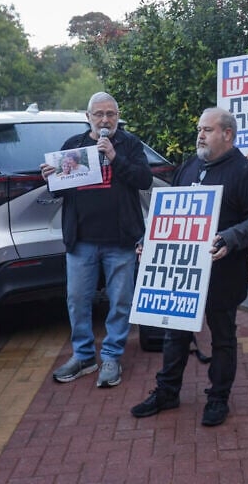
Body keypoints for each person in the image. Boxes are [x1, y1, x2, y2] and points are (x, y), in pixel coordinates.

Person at [132, 107, 248, 427]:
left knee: (222, 338)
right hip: (183, 273)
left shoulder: (244, 173)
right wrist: (148, 239)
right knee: (174, 334)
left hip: (222, 272)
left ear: (227, 134)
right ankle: (167, 391)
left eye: (207, 129)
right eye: (199, 129)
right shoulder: (189, 167)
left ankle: (218, 397)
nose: (200, 134)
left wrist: (231, 236)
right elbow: (170, 214)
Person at [43, 92, 153, 388]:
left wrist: (115, 158)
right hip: (82, 240)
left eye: (111, 114)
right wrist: (51, 179)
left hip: (121, 239)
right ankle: (83, 356)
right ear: (88, 117)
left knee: (120, 301)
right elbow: (60, 193)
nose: (105, 120)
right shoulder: (73, 147)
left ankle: (112, 355)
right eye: (99, 114)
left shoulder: (129, 144)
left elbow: (144, 180)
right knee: (78, 300)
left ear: (118, 116)